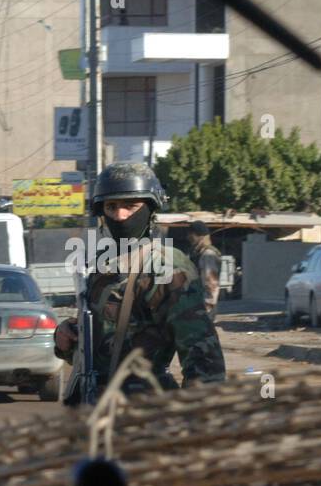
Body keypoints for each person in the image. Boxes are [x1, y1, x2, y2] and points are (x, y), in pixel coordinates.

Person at [54, 162, 226, 404]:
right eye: (111, 206)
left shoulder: (168, 267)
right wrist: (68, 335)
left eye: (130, 206)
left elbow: (204, 359)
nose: (120, 215)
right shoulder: (104, 263)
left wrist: (196, 421)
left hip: (142, 414)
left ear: (150, 209)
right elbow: (104, 343)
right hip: (93, 408)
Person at [188, 221, 223, 321]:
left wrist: (206, 309)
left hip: (203, 309)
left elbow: (211, 285)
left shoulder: (208, 254)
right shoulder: (200, 253)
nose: (188, 238)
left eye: (191, 235)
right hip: (198, 306)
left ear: (200, 236)